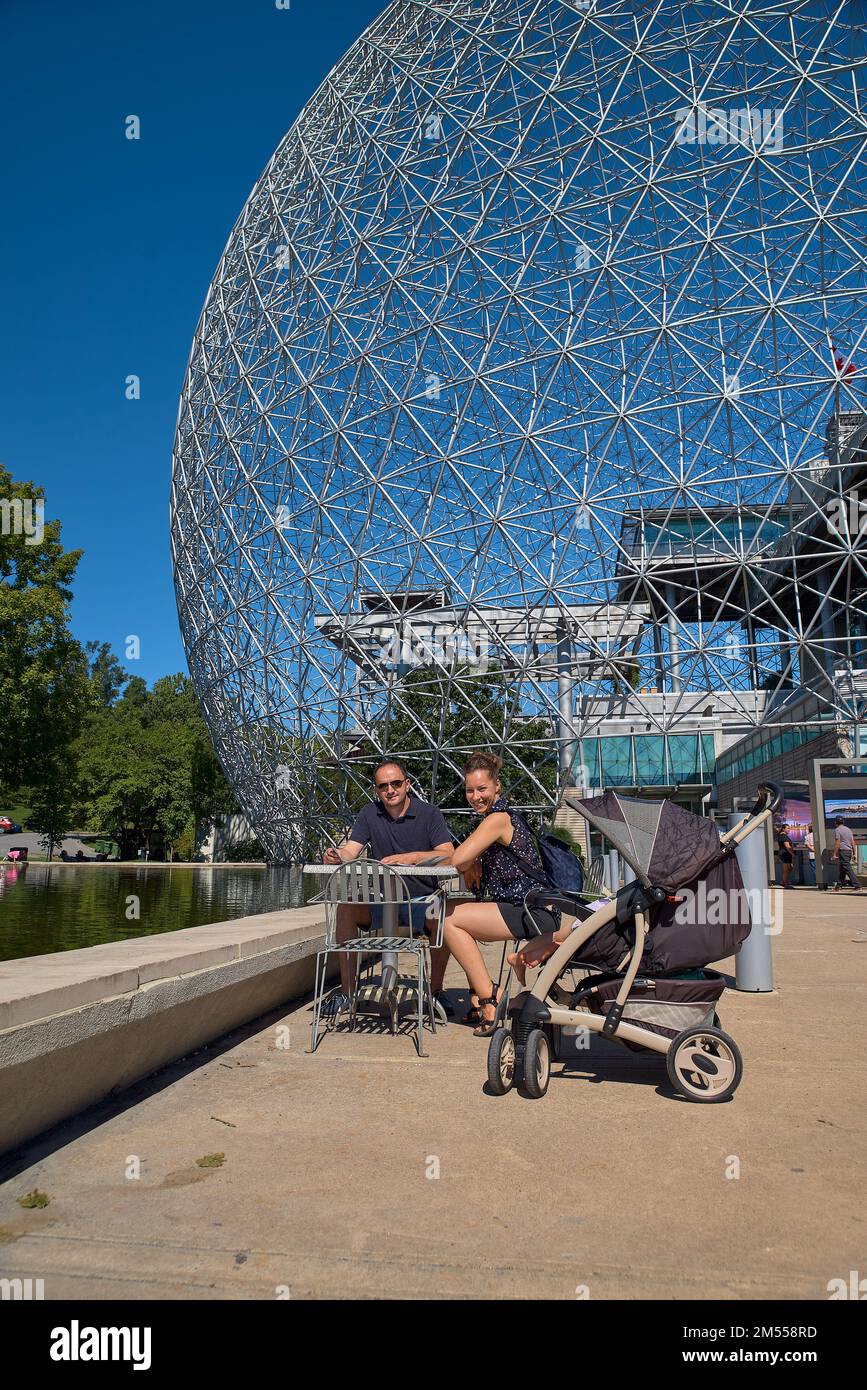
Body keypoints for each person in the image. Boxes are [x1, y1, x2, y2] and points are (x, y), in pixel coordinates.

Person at [434, 752, 561, 1036]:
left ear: (497, 787)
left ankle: (490, 996)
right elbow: (465, 862)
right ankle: (477, 996)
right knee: (453, 909)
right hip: (529, 905)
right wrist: (471, 862)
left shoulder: (498, 819)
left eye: (482, 789)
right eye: (469, 790)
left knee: (449, 920)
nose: (476, 796)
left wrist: (465, 861)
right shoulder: (500, 817)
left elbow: (455, 860)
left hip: (532, 910)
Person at [321, 760, 454, 1017]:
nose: (390, 790)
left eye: (396, 783)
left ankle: (436, 990)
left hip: (422, 903)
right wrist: (336, 855)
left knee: (443, 913)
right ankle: (348, 993)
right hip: (382, 903)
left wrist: (410, 857)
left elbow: (448, 855)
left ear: (407, 785)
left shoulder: (429, 814)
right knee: (346, 907)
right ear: (376, 790)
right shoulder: (370, 814)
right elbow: (351, 850)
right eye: (383, 786)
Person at [832, 817, 861, 892]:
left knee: (847, 868)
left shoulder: (837, 830)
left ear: (836, 822)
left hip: (843, 851)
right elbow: (853, 842)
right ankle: (838, 886)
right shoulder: (848, 829)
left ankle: (857, 885)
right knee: (842, 869)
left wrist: (834, 853)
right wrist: (854, 853)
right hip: (849, 851)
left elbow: (837, 842)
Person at [776, 822, 794, 889]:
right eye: (787, 828)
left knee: (789, 868)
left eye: (789, 828)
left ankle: (783, 882)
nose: (789, 830)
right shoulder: (784, 836)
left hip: (784, 853)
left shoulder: (781, 835)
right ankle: (786, 884)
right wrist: (792, 853)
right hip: (785, 853)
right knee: (787, 869)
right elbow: (787, 846)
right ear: (783, 829)